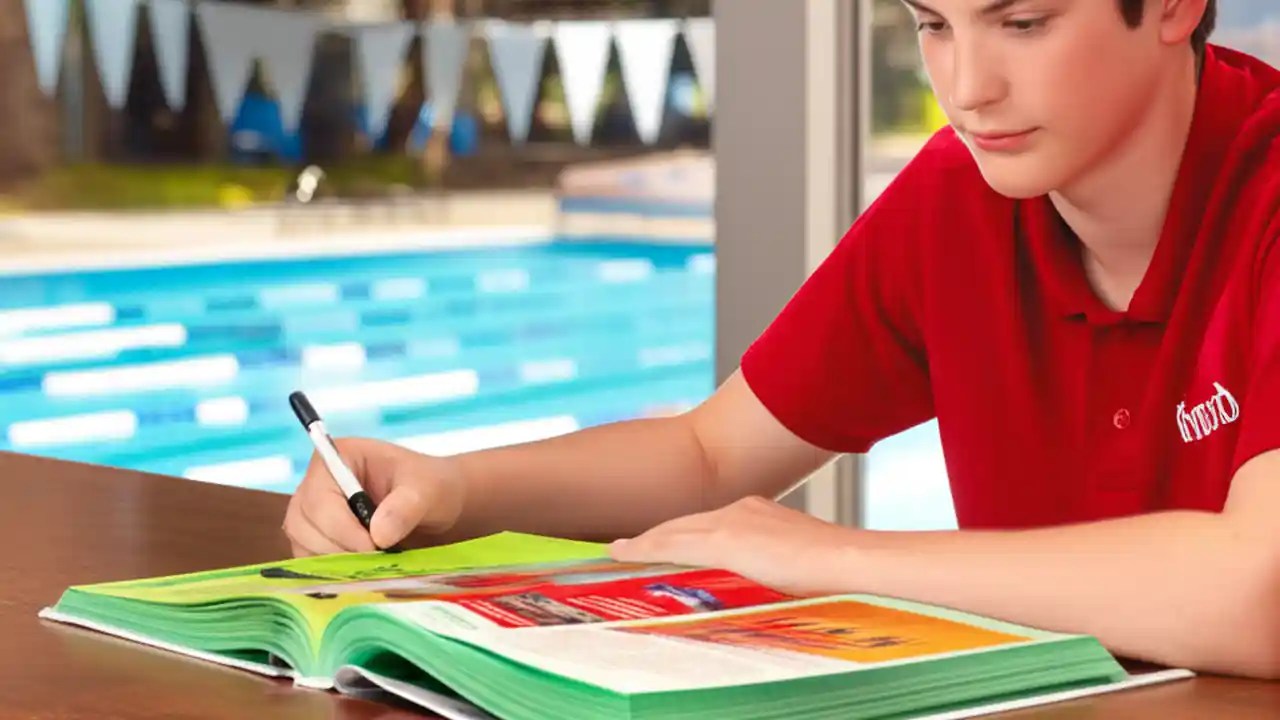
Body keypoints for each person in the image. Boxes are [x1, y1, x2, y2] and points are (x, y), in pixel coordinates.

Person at [284, 0, 1280, 679]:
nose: (965, 85)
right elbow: (710, 451)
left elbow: (1256, 590)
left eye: (1020, 21)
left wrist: (839, 557)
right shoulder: (955, 201)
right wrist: (455, 487)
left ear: (1173, 8)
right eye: (931, 23)